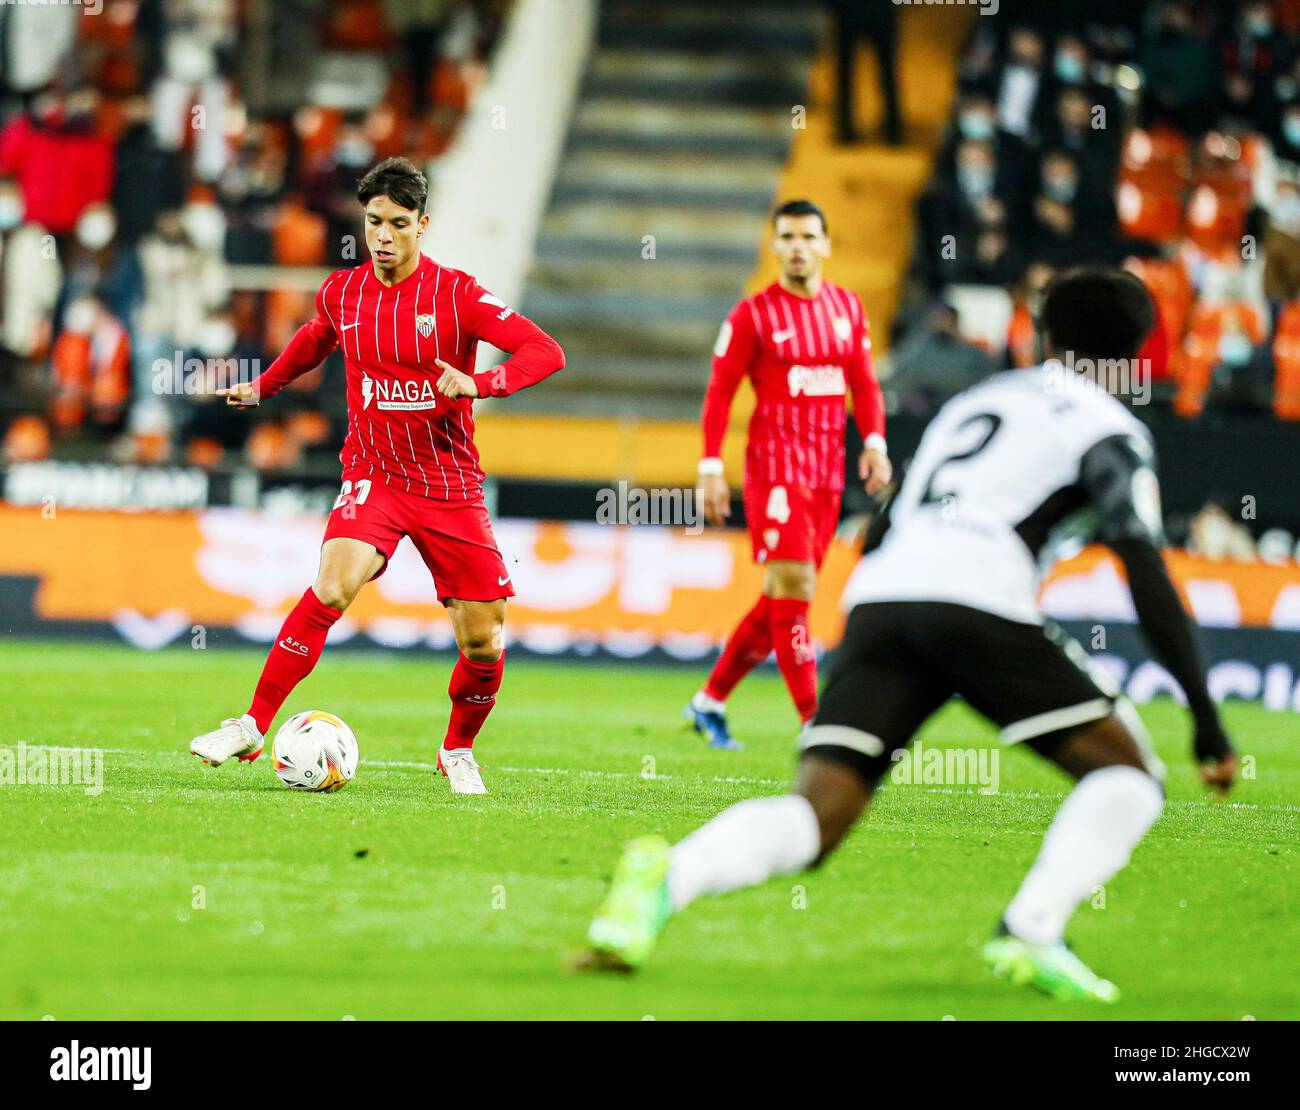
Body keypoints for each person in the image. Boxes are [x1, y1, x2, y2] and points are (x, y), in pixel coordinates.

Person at [582, 267, 1238, 1001]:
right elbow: (1142, 563)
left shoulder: (975, 401)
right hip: (979, 600)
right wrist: (1207, 722)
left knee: (817, 814)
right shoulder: (1109, 427)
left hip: (883, 601)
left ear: (1044, 334)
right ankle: (1031, 930)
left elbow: (886, 521)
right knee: (1128, 775)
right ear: (1144, 351)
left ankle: (671, 875)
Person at [189, 157, 565, 794]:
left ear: (423, 224)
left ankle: (457, 750)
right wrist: (265, 385)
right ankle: (252, 724)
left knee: (485, 642)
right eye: (372, 222)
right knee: (332, 587)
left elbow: (545, 351)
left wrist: (481, 382)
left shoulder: (460, 295)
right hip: (375, 474)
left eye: (396, 222)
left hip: (449, 483)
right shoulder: (343, 292)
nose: (383, 235)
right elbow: (317, 337)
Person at [686, 199, 888, 749]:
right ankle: (814, 722)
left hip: (827, 473)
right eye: (787, 237)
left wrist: (874, 442)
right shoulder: (752, 316)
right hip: (775, 473)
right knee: (796, 590)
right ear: (774, 245)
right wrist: (709, 467)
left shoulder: (847, 307)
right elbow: (720, 393)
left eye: (807, 237)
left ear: (825, 245)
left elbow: (865, 384)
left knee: (782, 596)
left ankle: (709, 701)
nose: (797, 247)